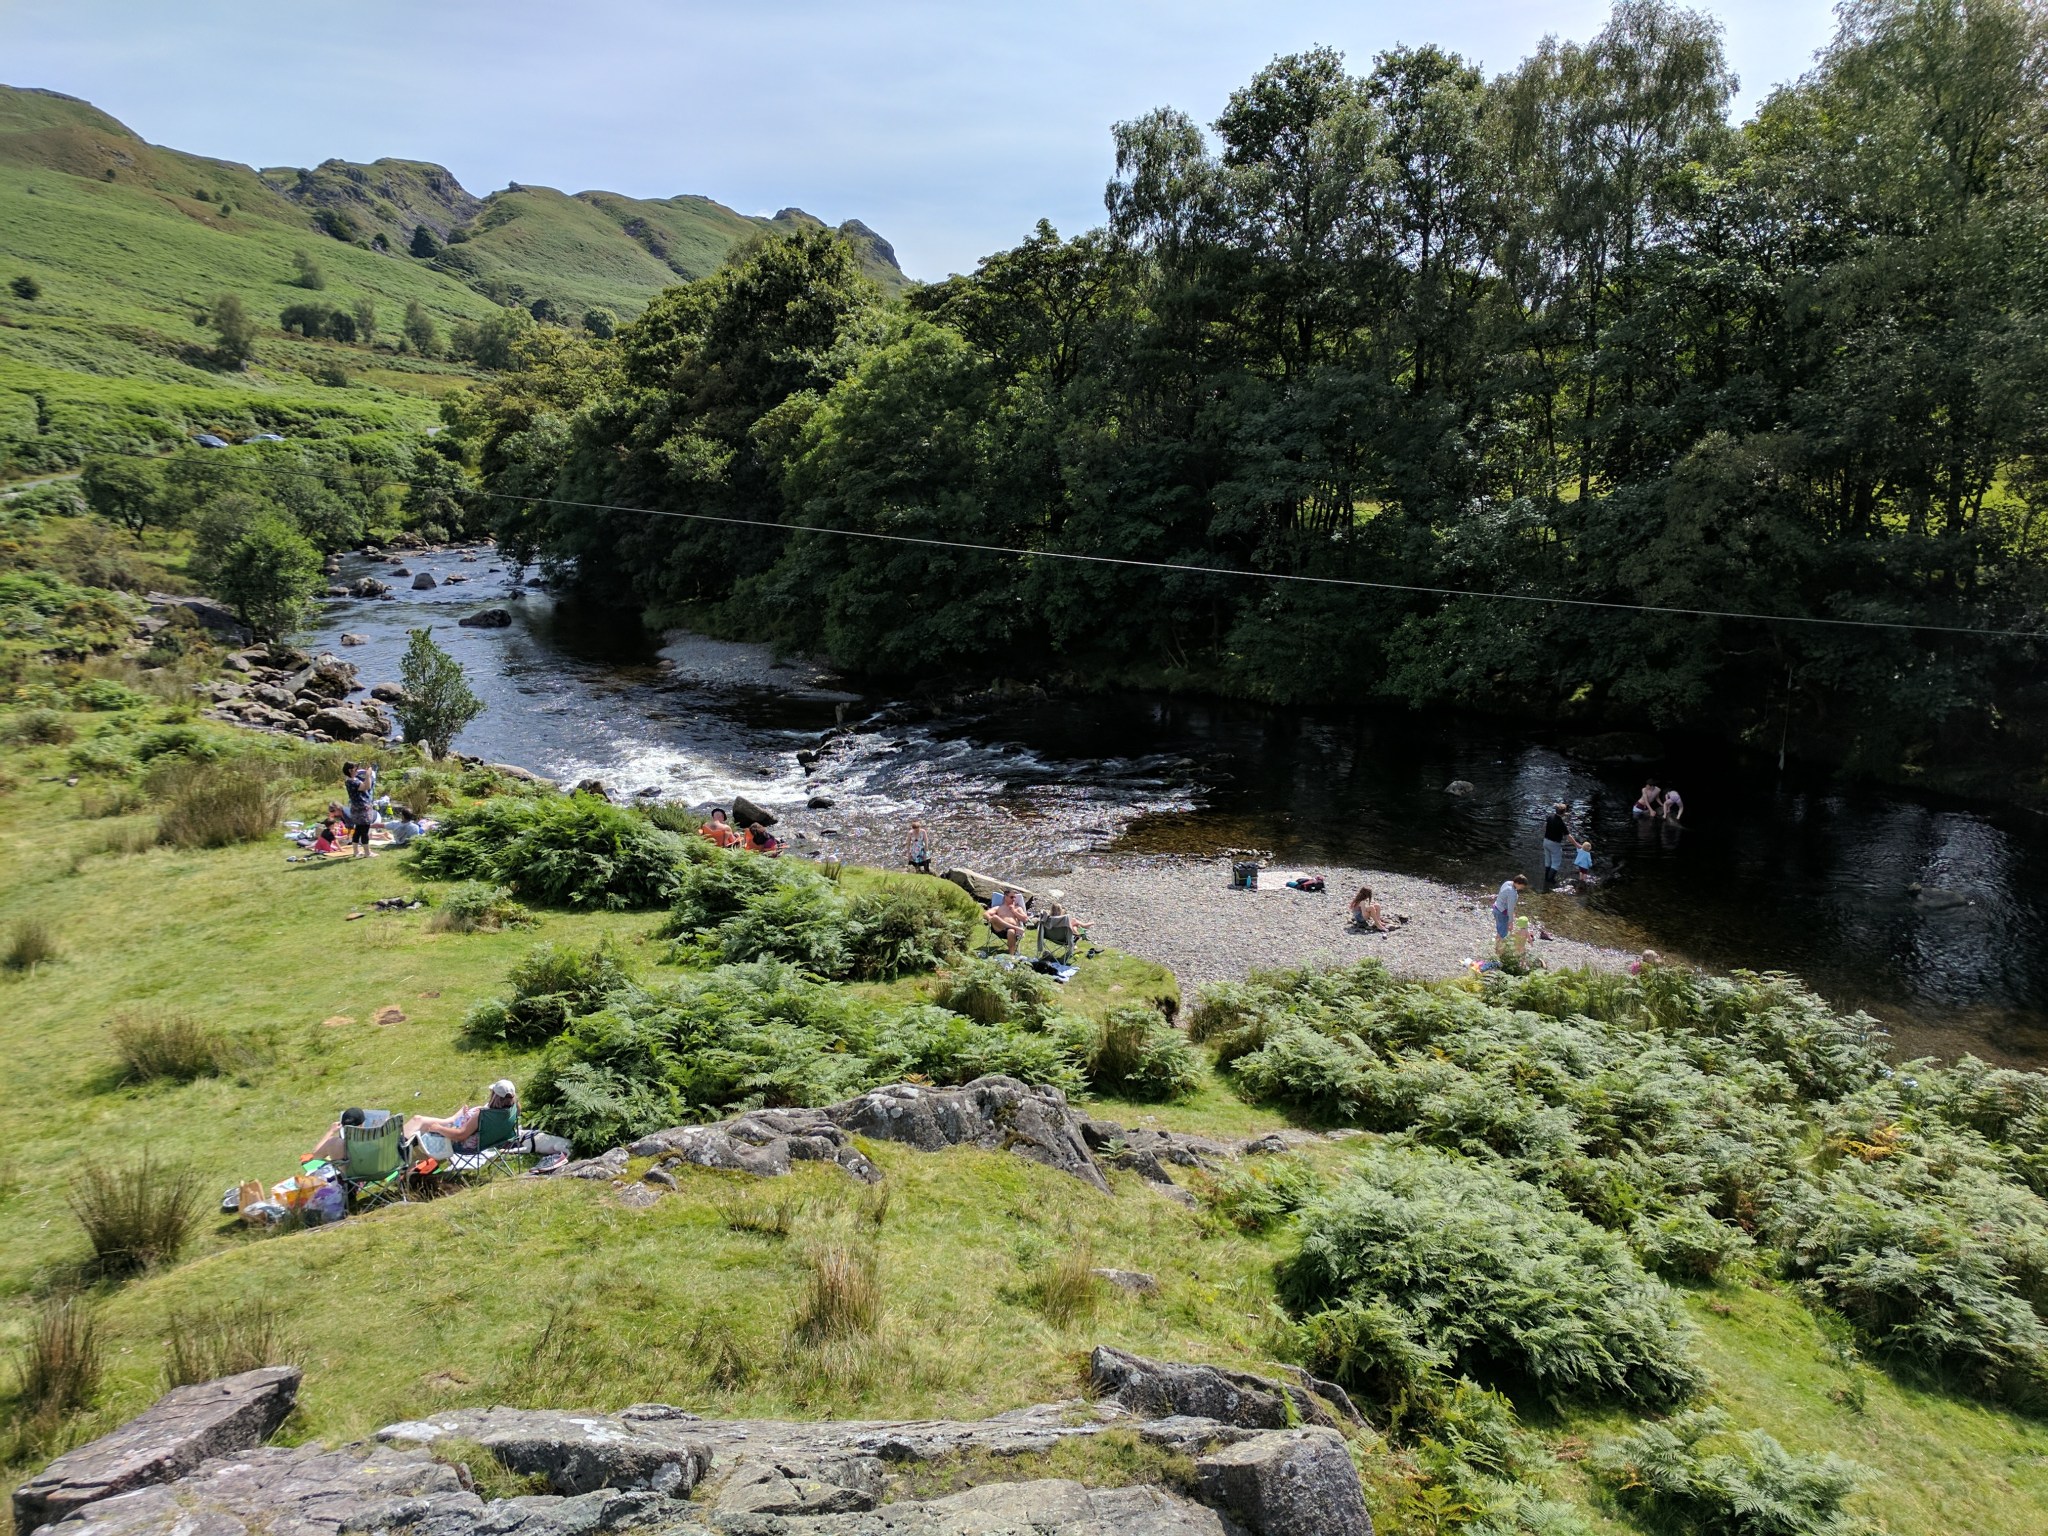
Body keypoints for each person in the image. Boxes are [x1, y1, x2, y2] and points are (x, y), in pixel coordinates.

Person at [406, 1079, 518, 1151]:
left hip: (467, 1145)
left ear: (495, 1096)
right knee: (420, 1120)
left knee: (419, 1121)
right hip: (494, 1140)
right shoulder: (515, 1107)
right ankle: (453, 1119)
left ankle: (398, 1148)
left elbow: (460, 1135)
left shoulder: (483, 1115)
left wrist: (438, 1129)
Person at [345, 765, 377, 859]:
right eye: (355, 769)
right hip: (362, 809)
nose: (357, 770)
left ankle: (356, 852)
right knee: (364, 831)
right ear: (350, 770)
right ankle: (367, 853)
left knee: (358, 830)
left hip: (356, 808)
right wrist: (368, 775)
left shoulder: (349, 780)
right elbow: (367, 786)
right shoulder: (352, 781)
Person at [985, 889, 1029, 955]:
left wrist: (1014, 911)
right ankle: (1015, 928)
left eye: (1015, 897)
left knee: (1011, 931)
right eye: (1011, 897)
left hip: (1013, 931)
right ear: (1005, 897)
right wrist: (990, 919)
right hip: (999, 929)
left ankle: (1011, 956)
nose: (1014, 899)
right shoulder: (998, 908)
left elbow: (1025, 919)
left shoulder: (1018, 908)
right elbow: (986, 914)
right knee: (994, 917)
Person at [1541, 802, 1570, 888]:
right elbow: (1568, 836)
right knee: (1556, 864)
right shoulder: (1561, 823)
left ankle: (1546, 879)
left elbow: (1544, 827)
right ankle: (1550, 881)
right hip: (1554, 844)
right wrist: (1577, 845)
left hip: (1545, 841)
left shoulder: (1550, 817)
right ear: (1563, 812)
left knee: (1548, 861)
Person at [1491, 874, 1528, 941]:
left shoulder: (1507, 883)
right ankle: (1499, 949)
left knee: (1499, 929)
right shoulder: (1512, 893)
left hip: (1496, 907)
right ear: (1517, 883)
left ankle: (1497, 944)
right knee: (1503, 933)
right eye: (1522, 886)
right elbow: (1510, 908)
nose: (1522, 888)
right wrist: (1510, 922)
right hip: (1501, 912)